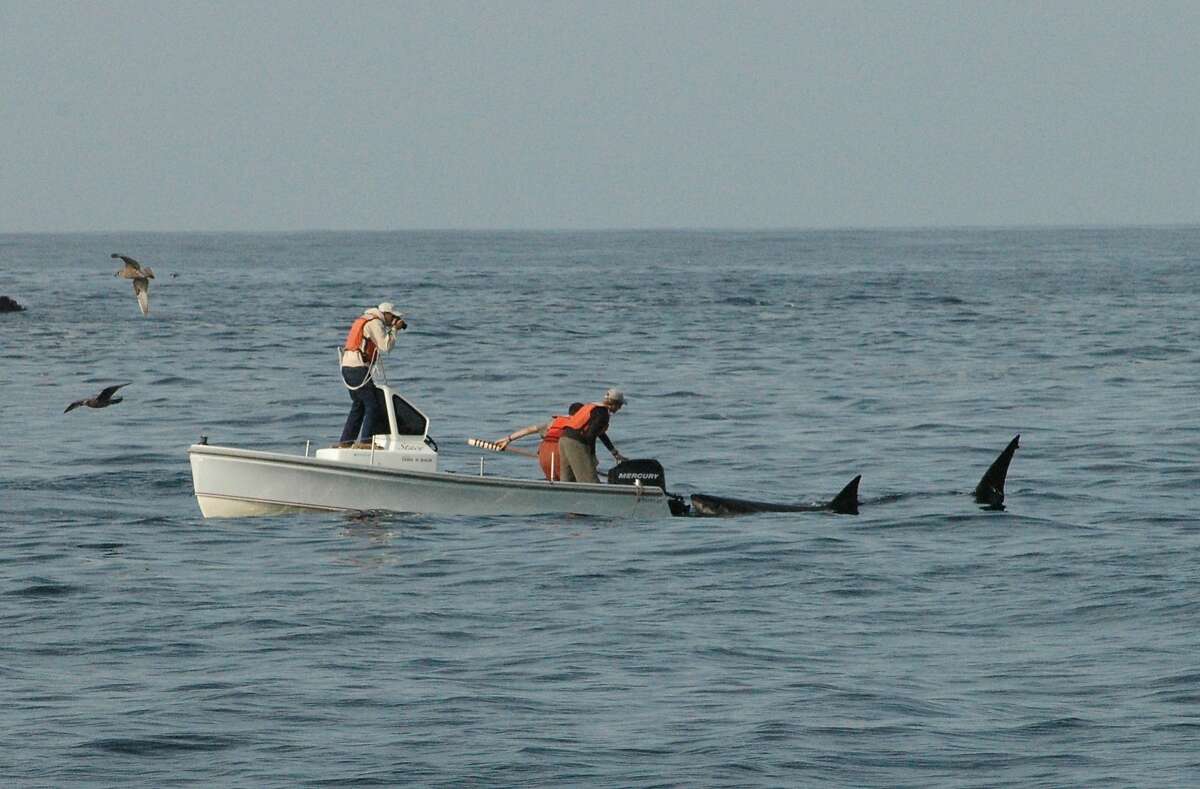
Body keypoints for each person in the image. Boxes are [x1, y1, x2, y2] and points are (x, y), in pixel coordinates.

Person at [338, 302, 407, 447]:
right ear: (386, 314)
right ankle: (366, 441)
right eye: (393, 316)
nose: (393, 319)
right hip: (357, 368)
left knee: (359, 405)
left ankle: (345, 442)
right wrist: (395, 329)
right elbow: (385, 346)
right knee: (372, 405)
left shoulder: (365, 319)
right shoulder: (375, 323)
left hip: (348, 367)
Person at [495, 402, 584, 481]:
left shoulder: (553, 422)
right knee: (572, 481)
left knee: (553, 479)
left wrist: (508, 439)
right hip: (560, 453)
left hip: (544, 454)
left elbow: (529, 430)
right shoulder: (578, 423)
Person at [555, 388, 628, 483]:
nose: (620, 408)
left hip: (564, 439)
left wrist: (614, 452)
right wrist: (592, 455)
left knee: (568, 479)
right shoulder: (603, 414)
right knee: (590, 481)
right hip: (576, 443)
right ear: (614, 403)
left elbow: (600, 434)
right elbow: (591, 435)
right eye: (620, 405)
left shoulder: (593, 407)